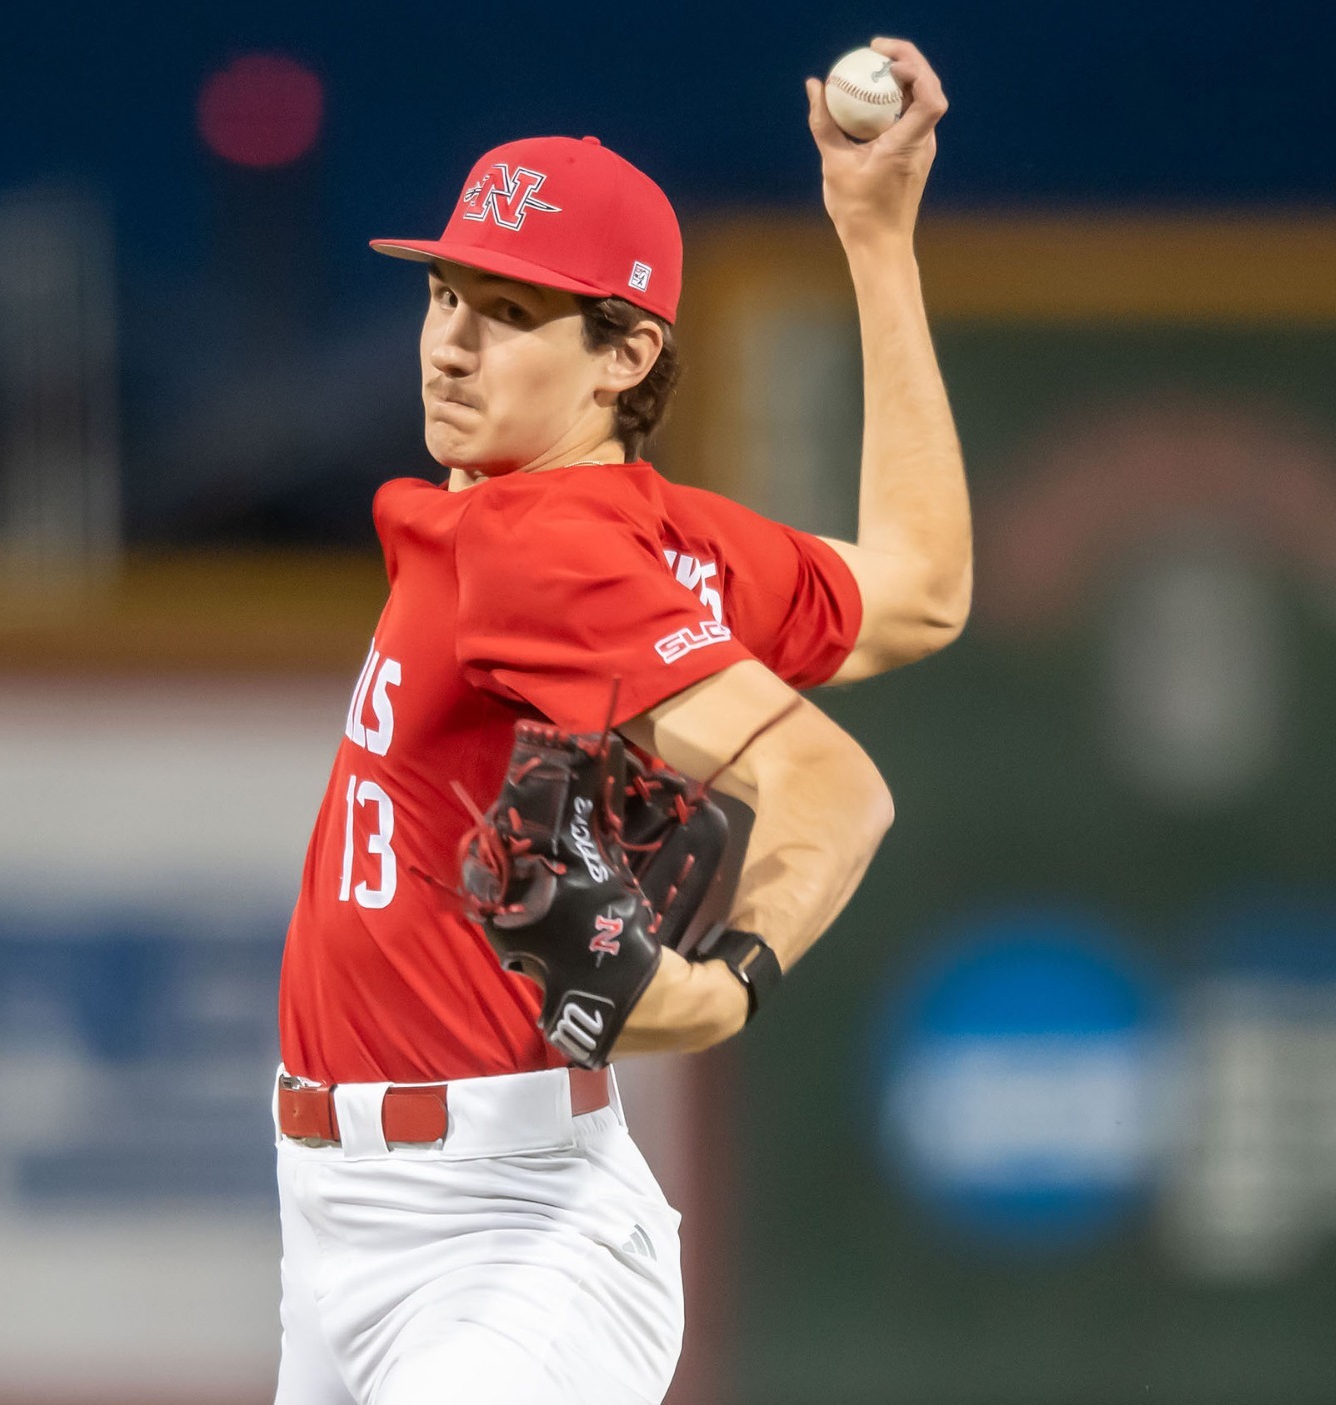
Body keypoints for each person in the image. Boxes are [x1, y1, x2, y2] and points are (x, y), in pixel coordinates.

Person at [270, 38, 968, 1405]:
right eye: (445, 290)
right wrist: (879, 240)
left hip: (498, 1244)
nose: (453, 342)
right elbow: (925, 589)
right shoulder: (660, 543)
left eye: (510, 310)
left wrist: (722, 987)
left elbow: (833, 787)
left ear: (625, 354)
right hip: (351, 1226)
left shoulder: (548, 551)